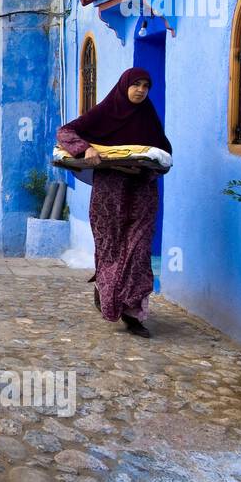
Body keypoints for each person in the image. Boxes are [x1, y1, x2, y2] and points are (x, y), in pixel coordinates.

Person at [57, 67, 172, 337]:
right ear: (124, 86)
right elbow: (65, 132)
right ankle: (105, 292)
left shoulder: (148, 118)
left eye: (146, 85)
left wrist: (147, 166)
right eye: (136, 85)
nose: (141, 90)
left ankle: (133, 315)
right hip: (109, 194)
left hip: (142, 193)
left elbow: (165, 153)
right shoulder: (104, 113)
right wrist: (86, 148)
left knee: (138, 251)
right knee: (111, 249)